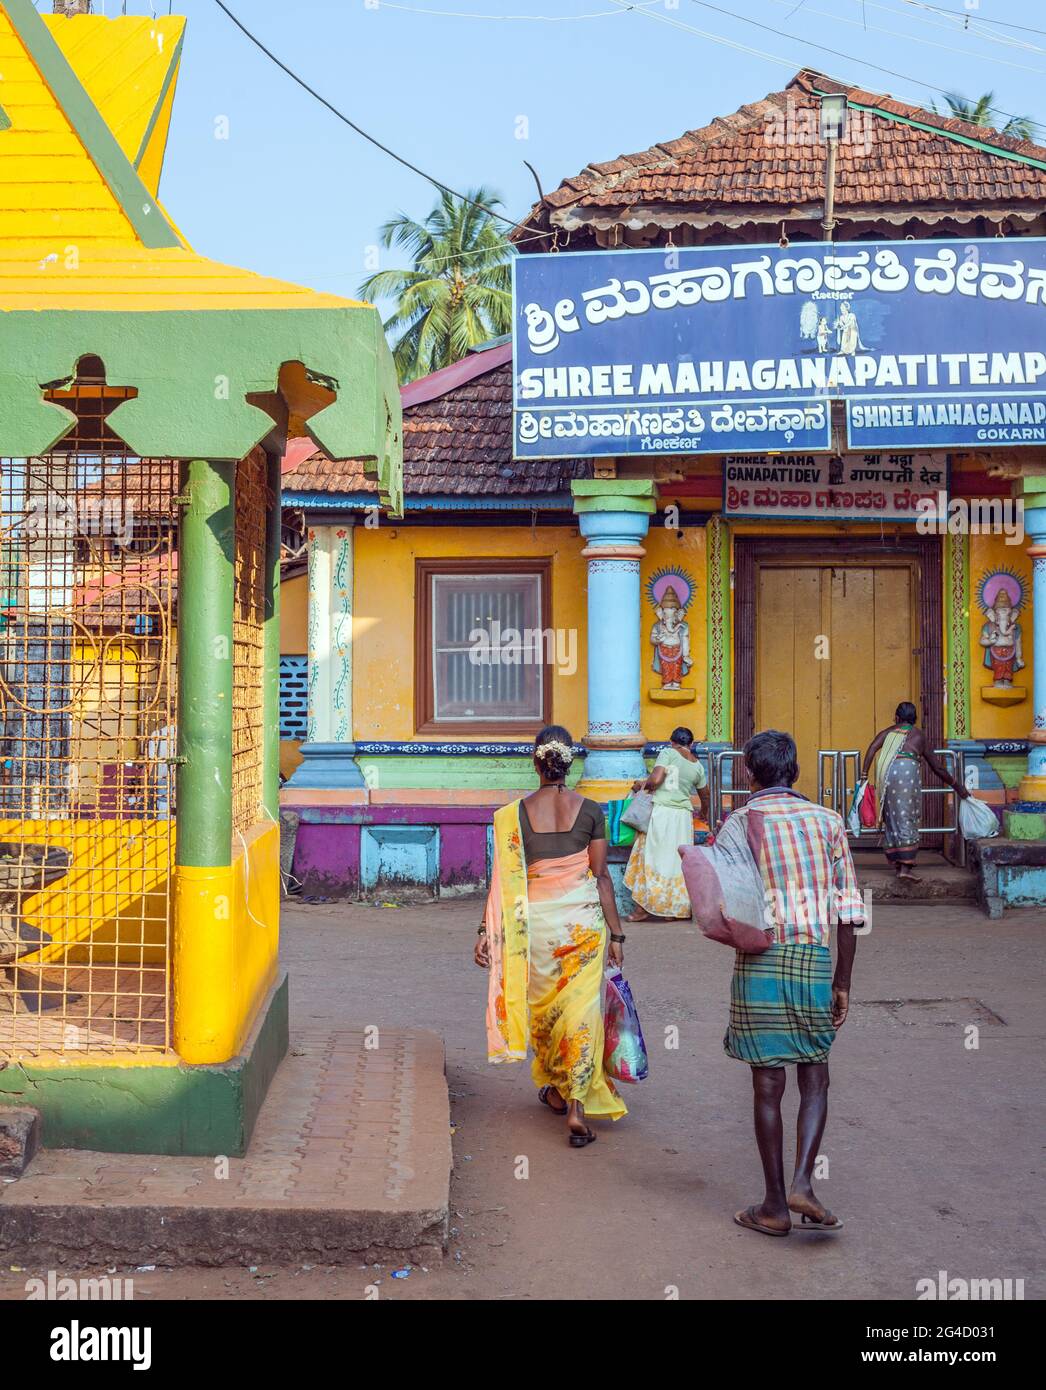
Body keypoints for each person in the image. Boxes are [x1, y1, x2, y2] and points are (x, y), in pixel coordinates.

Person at [724, 729, 863, 1237]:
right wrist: (841, 982)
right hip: (811, 958)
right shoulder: (828, 822)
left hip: (759, 959)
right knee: (815, 1076)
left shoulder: (738, 823)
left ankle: (775, 1206)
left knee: (767, 1085)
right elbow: (848, 913)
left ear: (748, 771)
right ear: (795, 771)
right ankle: (804, 1180)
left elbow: (724, 907)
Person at [474, 725, 627, 1147]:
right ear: (570, 763)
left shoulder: (513, 815)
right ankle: (573, 1102)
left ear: (535, 762)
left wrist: (487, 930)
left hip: (535, 927)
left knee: (546, 1012)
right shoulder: (592, 810)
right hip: (582, 925)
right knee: (581, 1010)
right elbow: (601, 878)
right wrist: (617, 935)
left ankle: (560, 1091)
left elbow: (504, 881)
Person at [861, 701, 969, 882]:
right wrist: (958, 786)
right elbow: (937, 768)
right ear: (914, 719)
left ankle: (897, 861)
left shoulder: (889, 732)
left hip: (887, 774)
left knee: (892, 816)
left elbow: (873, 747)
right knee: (906, 816)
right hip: (906, 774)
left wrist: (864, 776)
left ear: (896, 718)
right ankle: (905, 868)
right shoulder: (918, 735)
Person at [624, 726, 710, 922]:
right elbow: (705, 794)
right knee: (675, 863)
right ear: (691, 744)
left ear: (672, 742)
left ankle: (641, 910)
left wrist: (640, 785)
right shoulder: (697, 766)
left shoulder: (668, 752)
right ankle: (671, 910)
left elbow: (655, 779)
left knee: (648, 858)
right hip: (682, 818)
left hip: (662, 813)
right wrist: (704, 813)